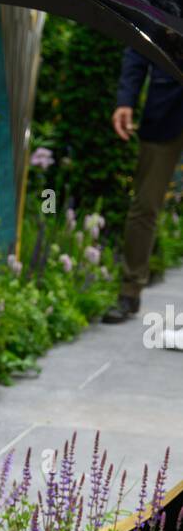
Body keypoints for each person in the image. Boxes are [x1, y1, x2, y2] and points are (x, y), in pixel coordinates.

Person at [103, 43, 183, 323]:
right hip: (166, 109)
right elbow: (139, 42)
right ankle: (129, 292)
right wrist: (126, 99)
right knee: (145, 205)